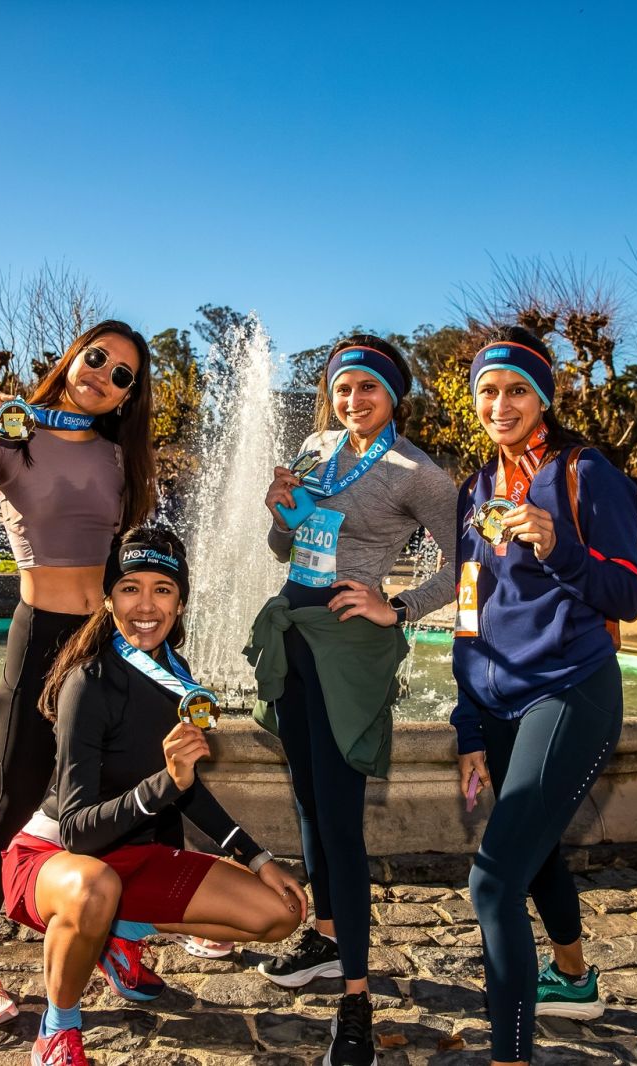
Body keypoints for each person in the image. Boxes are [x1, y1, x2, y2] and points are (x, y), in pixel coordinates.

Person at [0, 321, 157, 1031]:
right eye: (97, 359)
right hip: (42, 634)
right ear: (71, 359)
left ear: (128, 397)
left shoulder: (123, 456)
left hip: (106, 638)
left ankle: (119, 939)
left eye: (124, 375)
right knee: (16, 791)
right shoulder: (12, 433)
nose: (104, 377)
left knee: (117, 790)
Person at [4, 527, 305, 1064]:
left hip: (128, 859)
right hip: (57, 860)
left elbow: (187, 791)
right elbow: (77, 829)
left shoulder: (177, 675)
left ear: (181, 600)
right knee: (94, 886)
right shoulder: (88, 681)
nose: (146, 605)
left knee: (280, 912)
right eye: (130, 588)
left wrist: (258, 858)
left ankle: (111, 932)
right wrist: (165, 782)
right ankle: (59, 1026)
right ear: (109, 597)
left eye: (162, 589)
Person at [248, 333, 458, 1064]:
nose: (353, 401)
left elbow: (466, 564)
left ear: (394, 395)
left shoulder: (416, 471)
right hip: (294, 636)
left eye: (367, 388)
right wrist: (279, 510)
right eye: (343, 389)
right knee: (307, 799)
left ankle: (357, 1002)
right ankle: (326, 940)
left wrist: (396, 607)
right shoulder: (316, 448)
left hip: (348, 650)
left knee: (341, 823)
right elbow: (284, 547)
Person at [450, 327, 637, 1066]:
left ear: (542, 399)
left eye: (515, 391)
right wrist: (468, 722)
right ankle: (573, 977)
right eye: (487, 392)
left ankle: (511, 1058)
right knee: (535, 854)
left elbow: (629, 594)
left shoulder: (584, 471)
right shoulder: (476, 487)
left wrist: (557, 544)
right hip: (495, 703)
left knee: (493, 881)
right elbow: (468, 609)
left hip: (570, 689)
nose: (500, 405)